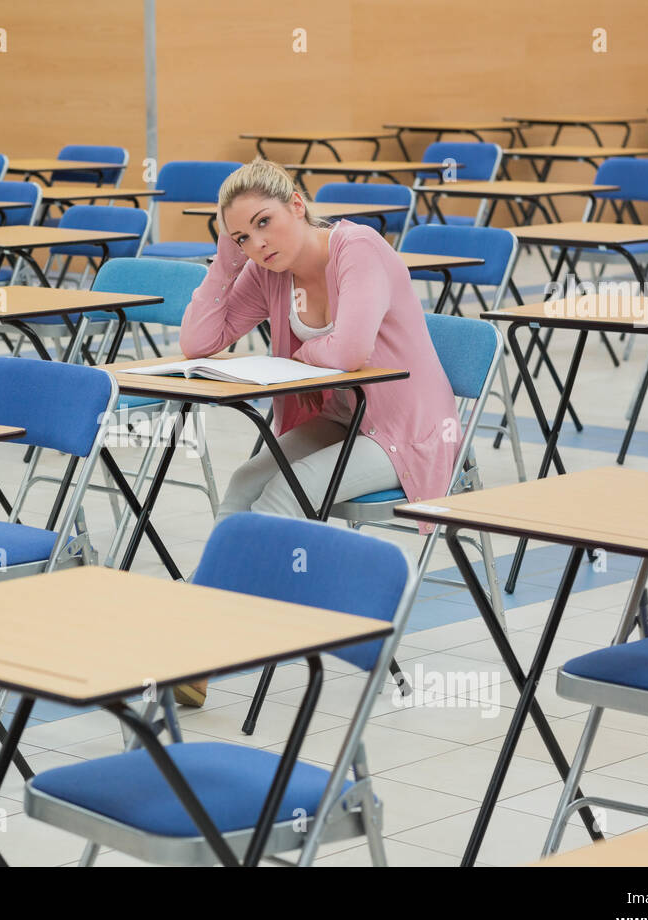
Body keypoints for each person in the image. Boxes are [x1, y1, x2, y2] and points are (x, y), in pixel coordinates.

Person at [172, 159, 459, 707]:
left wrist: (303, 355)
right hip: (339, 419)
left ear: (297, 205)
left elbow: (349, 351)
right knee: (245, 481)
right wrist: (224, 263)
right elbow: (198, 342)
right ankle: (199, 635)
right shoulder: (264, 271)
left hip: (408, 429)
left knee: (286, 493)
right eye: (241, 237)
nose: (257, 243)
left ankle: (207, 646)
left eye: (263, 222)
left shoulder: (358, 249)